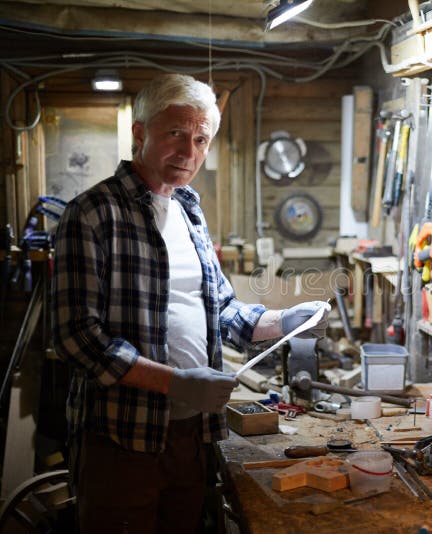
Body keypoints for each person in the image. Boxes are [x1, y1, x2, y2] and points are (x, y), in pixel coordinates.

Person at [52, 73, 330, 533]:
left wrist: (284, 321)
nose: (189, 152)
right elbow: (76, 337)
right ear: (140, 133)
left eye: (201, 139)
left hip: (193, 434)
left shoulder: (188, 209)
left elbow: (219, 309)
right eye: (175, 133)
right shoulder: (93, 213)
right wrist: (175, 382)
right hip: (123, 437)